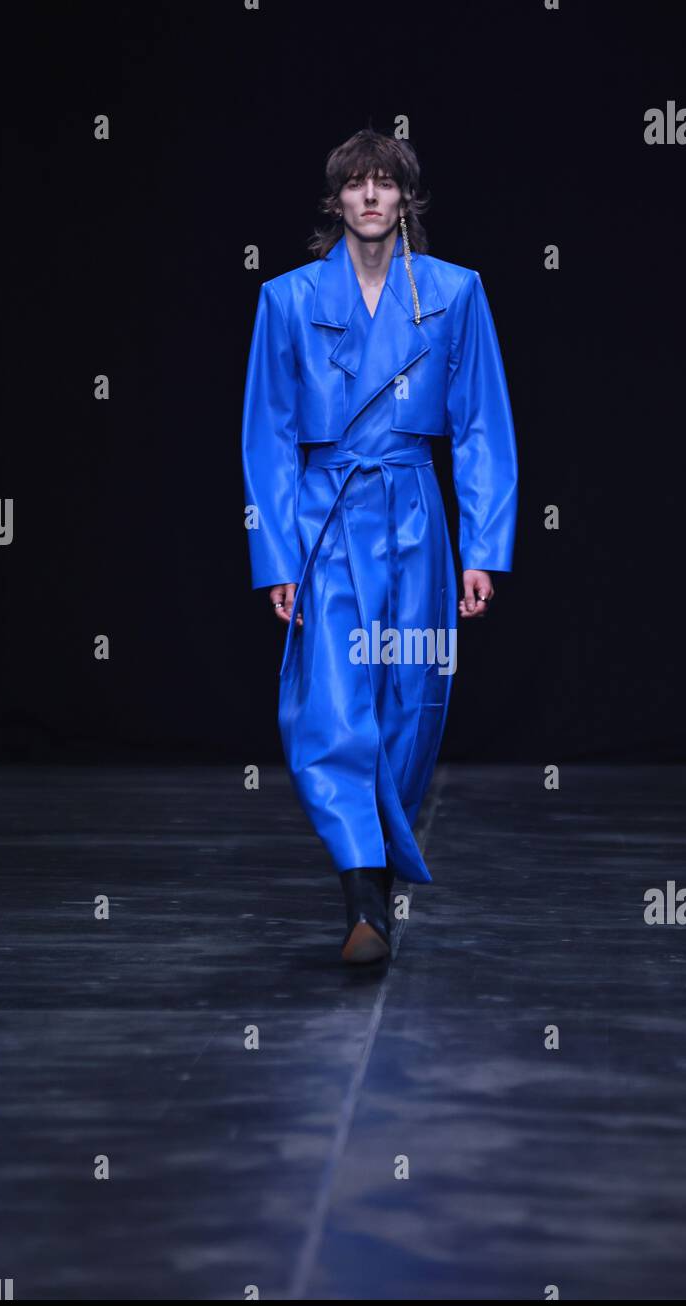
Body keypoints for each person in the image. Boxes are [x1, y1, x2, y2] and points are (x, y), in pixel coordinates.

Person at [241, 128, 518, 965]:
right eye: (355, 184)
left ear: (405, 199)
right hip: (326, 519)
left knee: (409, 699)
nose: (370, 197)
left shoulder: (455, 292)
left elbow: (479, 428)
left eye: (384, 184)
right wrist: (277, 558)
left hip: (414, 519)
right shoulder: (287, 300)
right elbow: (269, 439)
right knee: (329, 701)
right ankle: (364, 892)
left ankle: (376, 873)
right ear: (337, 201)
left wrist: (483, 548)